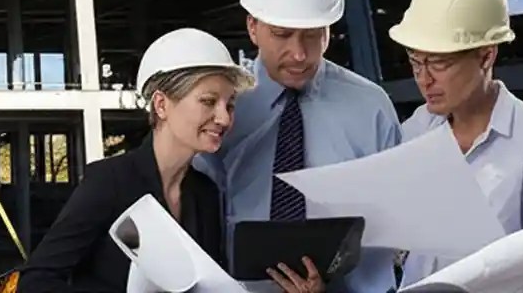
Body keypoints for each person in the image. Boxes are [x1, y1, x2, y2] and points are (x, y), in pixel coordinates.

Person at [19, 28, 321, 293]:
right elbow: (36, 281)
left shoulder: (205, 193)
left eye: (229, 104)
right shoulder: (110, 182)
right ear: (161, 104)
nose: (224, 117)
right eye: (208, 101)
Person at [195, 0, 403, 293]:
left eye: (312, 35)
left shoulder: (372, 109)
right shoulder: (221, 109)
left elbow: (399, 224)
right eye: (282, 34)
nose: (299, 53)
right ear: (252, 28)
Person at [388, 0, 523, 286]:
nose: (424, 79)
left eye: (439, 63)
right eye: (416, 62)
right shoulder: (415, 129)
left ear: (486, 56)